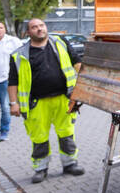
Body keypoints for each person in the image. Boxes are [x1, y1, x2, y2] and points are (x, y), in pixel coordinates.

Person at [8, 19, 84, 182]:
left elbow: (77, 62)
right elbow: (13, 81)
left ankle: (70, 164)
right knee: (39, 136)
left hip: (63, 99)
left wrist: (85, 85)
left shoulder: (60, 43)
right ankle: (40, 169)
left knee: (66, 132)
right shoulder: (18, 55)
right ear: (28, 32)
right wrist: (13, 103)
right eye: (34, 27)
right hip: (37, 103)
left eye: (41, 26)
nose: (39, 29)